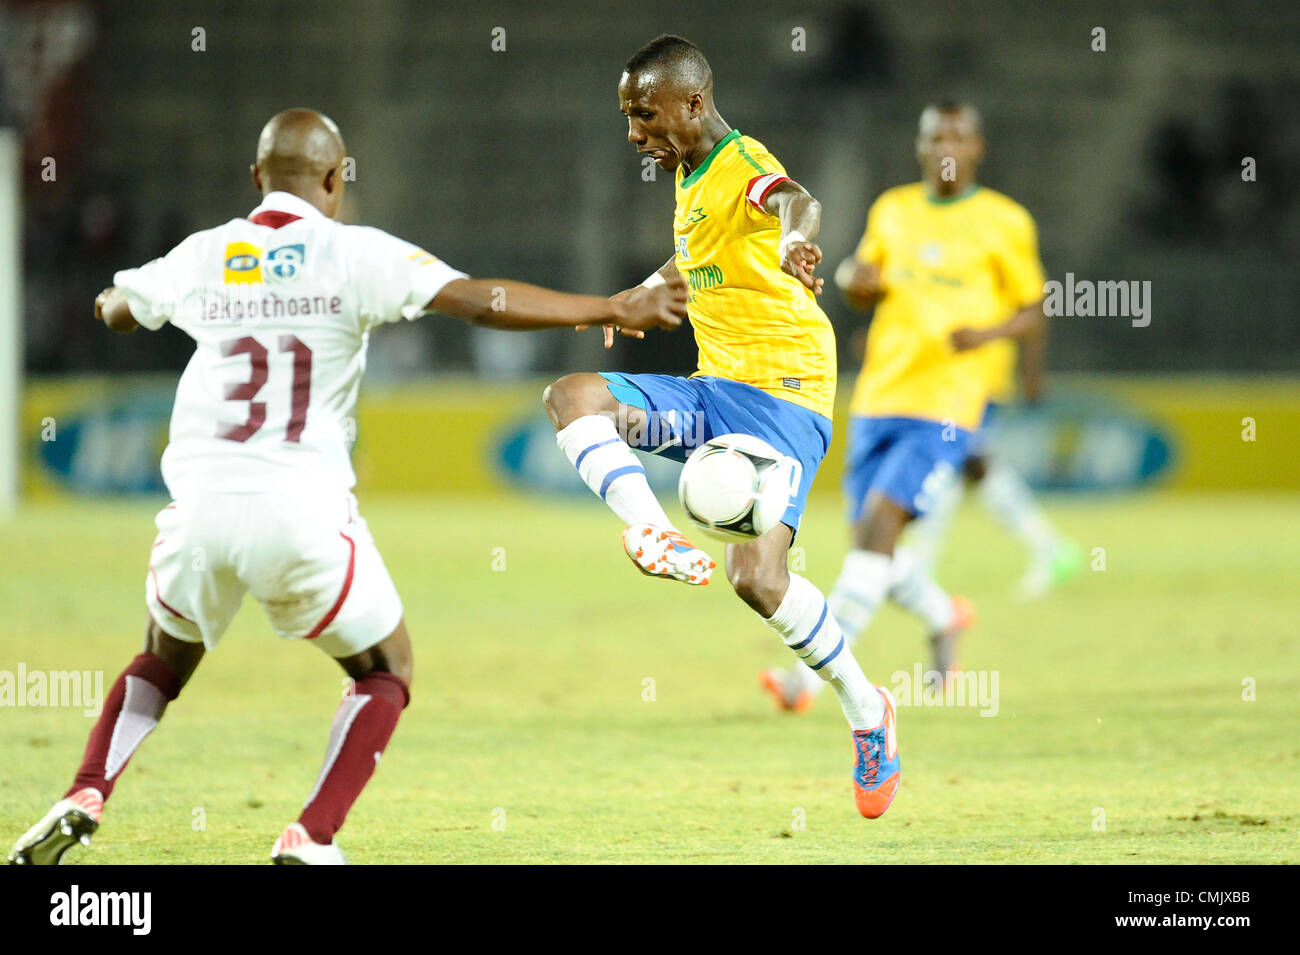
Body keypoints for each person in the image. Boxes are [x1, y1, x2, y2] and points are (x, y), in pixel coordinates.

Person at [8, 108, 685, 866]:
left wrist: (124, 302)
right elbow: (478, 300)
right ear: (335, 179)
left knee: (162, 661)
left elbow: (117, 310)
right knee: (386, 667)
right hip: (299, 509)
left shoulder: (205, 253)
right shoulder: (353, 252)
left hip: (197, 513)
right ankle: (312, 834)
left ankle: (85, 791)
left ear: (256, 178)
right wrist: (609, 306)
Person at [542, 35, 899, 819]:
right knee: (572, 396)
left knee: (757, 579)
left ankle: (867, 707)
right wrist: (640, 292)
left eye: (644, 114)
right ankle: (651, 531)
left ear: (694, 103)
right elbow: (699, 254)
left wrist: (798, 238)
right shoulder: (689, 173)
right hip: (714, 390)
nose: (633, 132)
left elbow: (793, 199)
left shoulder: (740, 163)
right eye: (628, 116)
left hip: (783, 392)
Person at [762, 101, 1065, 712]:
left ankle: (805, 682)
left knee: (877, 534)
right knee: (876, 551)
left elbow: (1034, 307)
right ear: (920, 147)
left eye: (958, 136)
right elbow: (860, 278)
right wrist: (851, 279)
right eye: (935, 137)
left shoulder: (1005, 220)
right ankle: (944, 615)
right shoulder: (893, 209)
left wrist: (992, 340)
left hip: (950, 403)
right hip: (880, 393)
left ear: (977, 147)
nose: (947, 146)